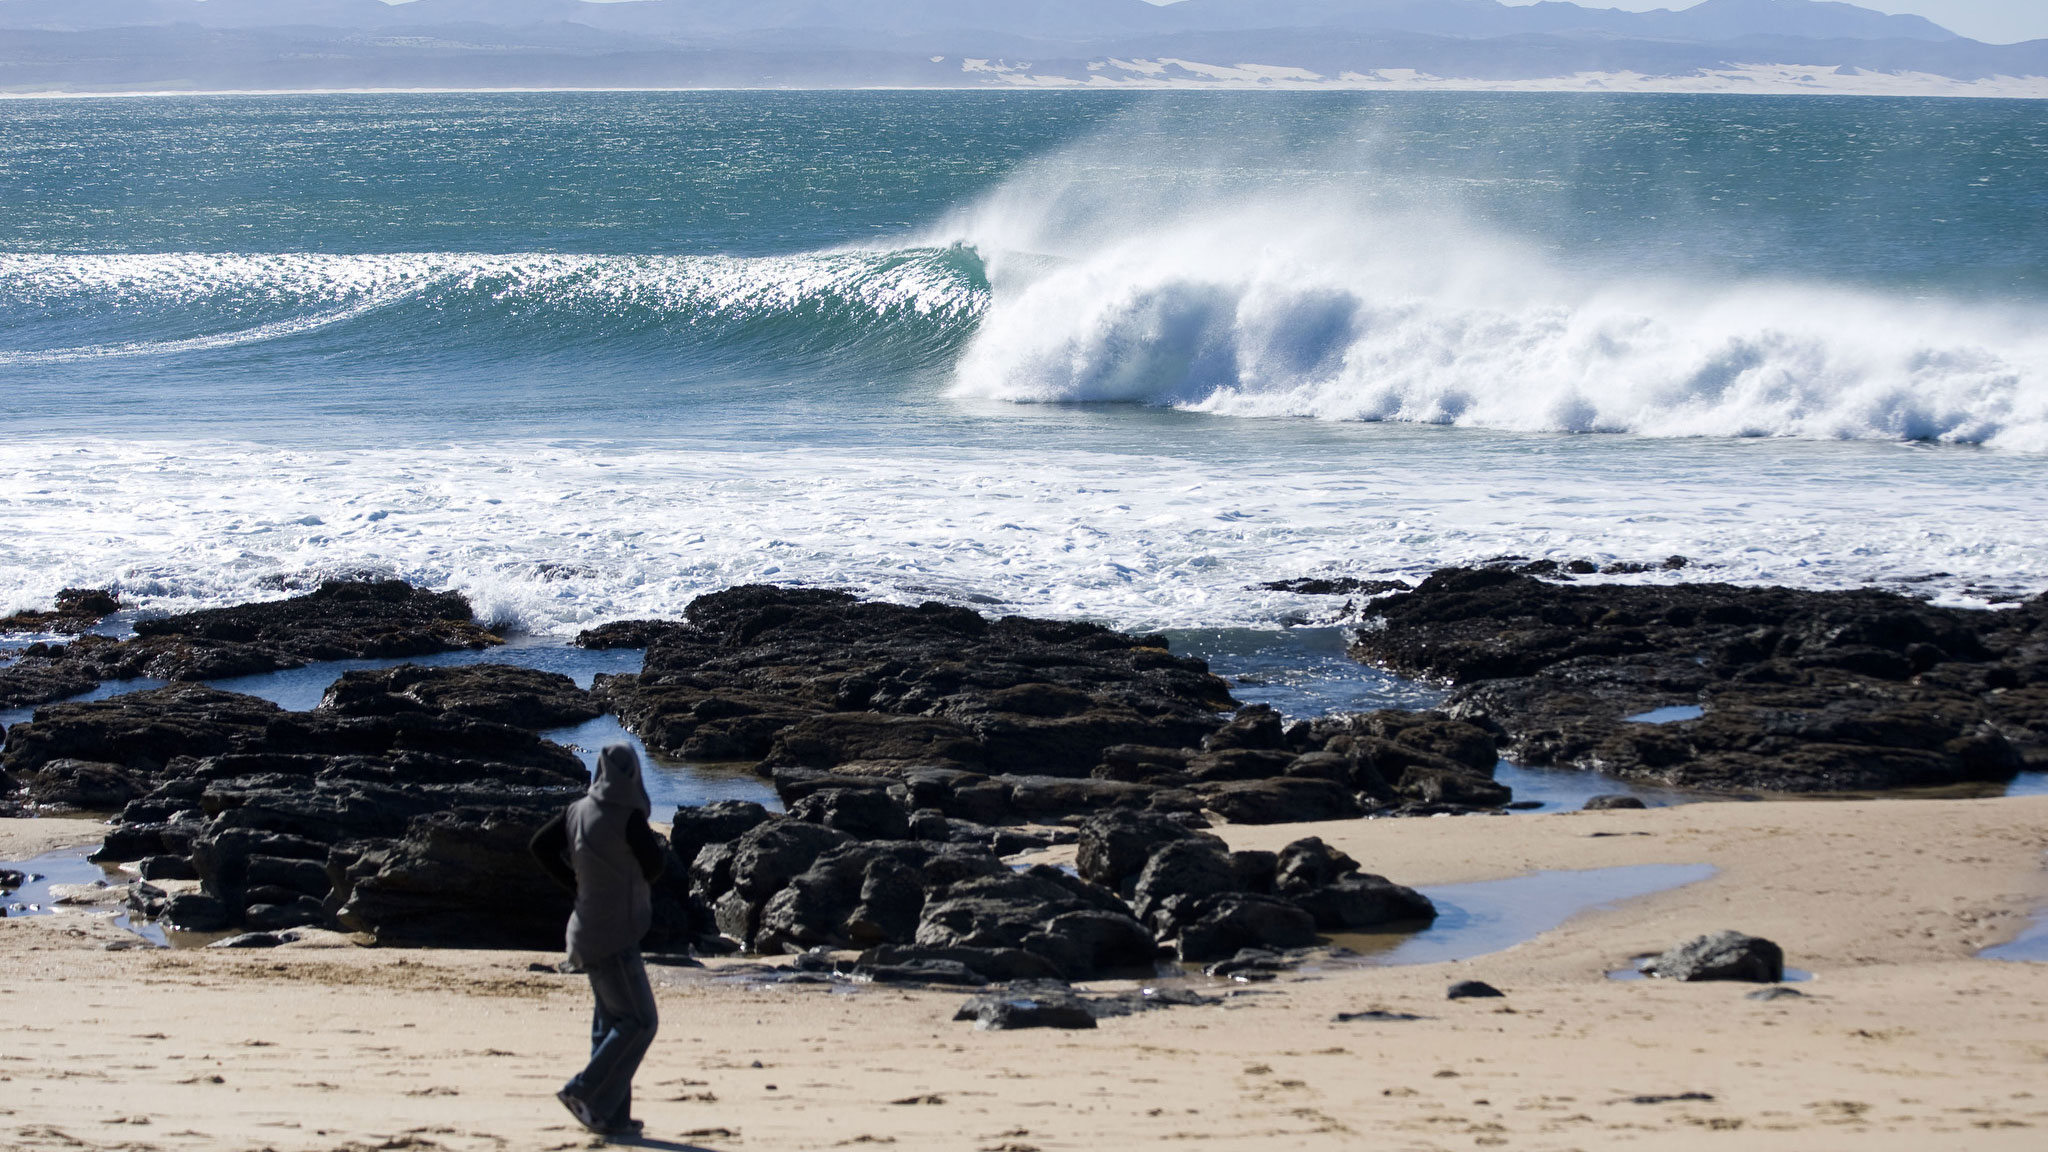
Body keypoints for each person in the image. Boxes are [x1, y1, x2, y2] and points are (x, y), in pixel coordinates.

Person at [531, 743, 666, 1138]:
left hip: (584, 928)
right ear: (633, 773)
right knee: (640, 1021)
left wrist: (577, 881)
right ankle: (584, 1089)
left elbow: (540, 846)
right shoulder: (628, 816)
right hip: (614, 934)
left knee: (610, 1024)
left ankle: (611, 1116)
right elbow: (655, 866)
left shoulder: (577, 810)